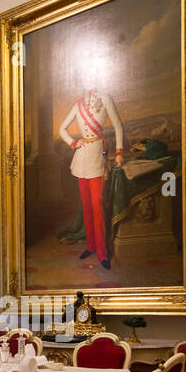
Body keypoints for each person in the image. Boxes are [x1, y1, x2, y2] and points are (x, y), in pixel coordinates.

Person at [58, 80, 124, 271]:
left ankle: (102, 254)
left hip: (96, 156)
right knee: (86, 207)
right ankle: (91, 246)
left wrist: (119, 152)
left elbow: (118, 126)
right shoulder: (78, 104)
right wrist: (72, 143)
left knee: (97, 207)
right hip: (81, 157)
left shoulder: (105, 98)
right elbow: (62, 128)